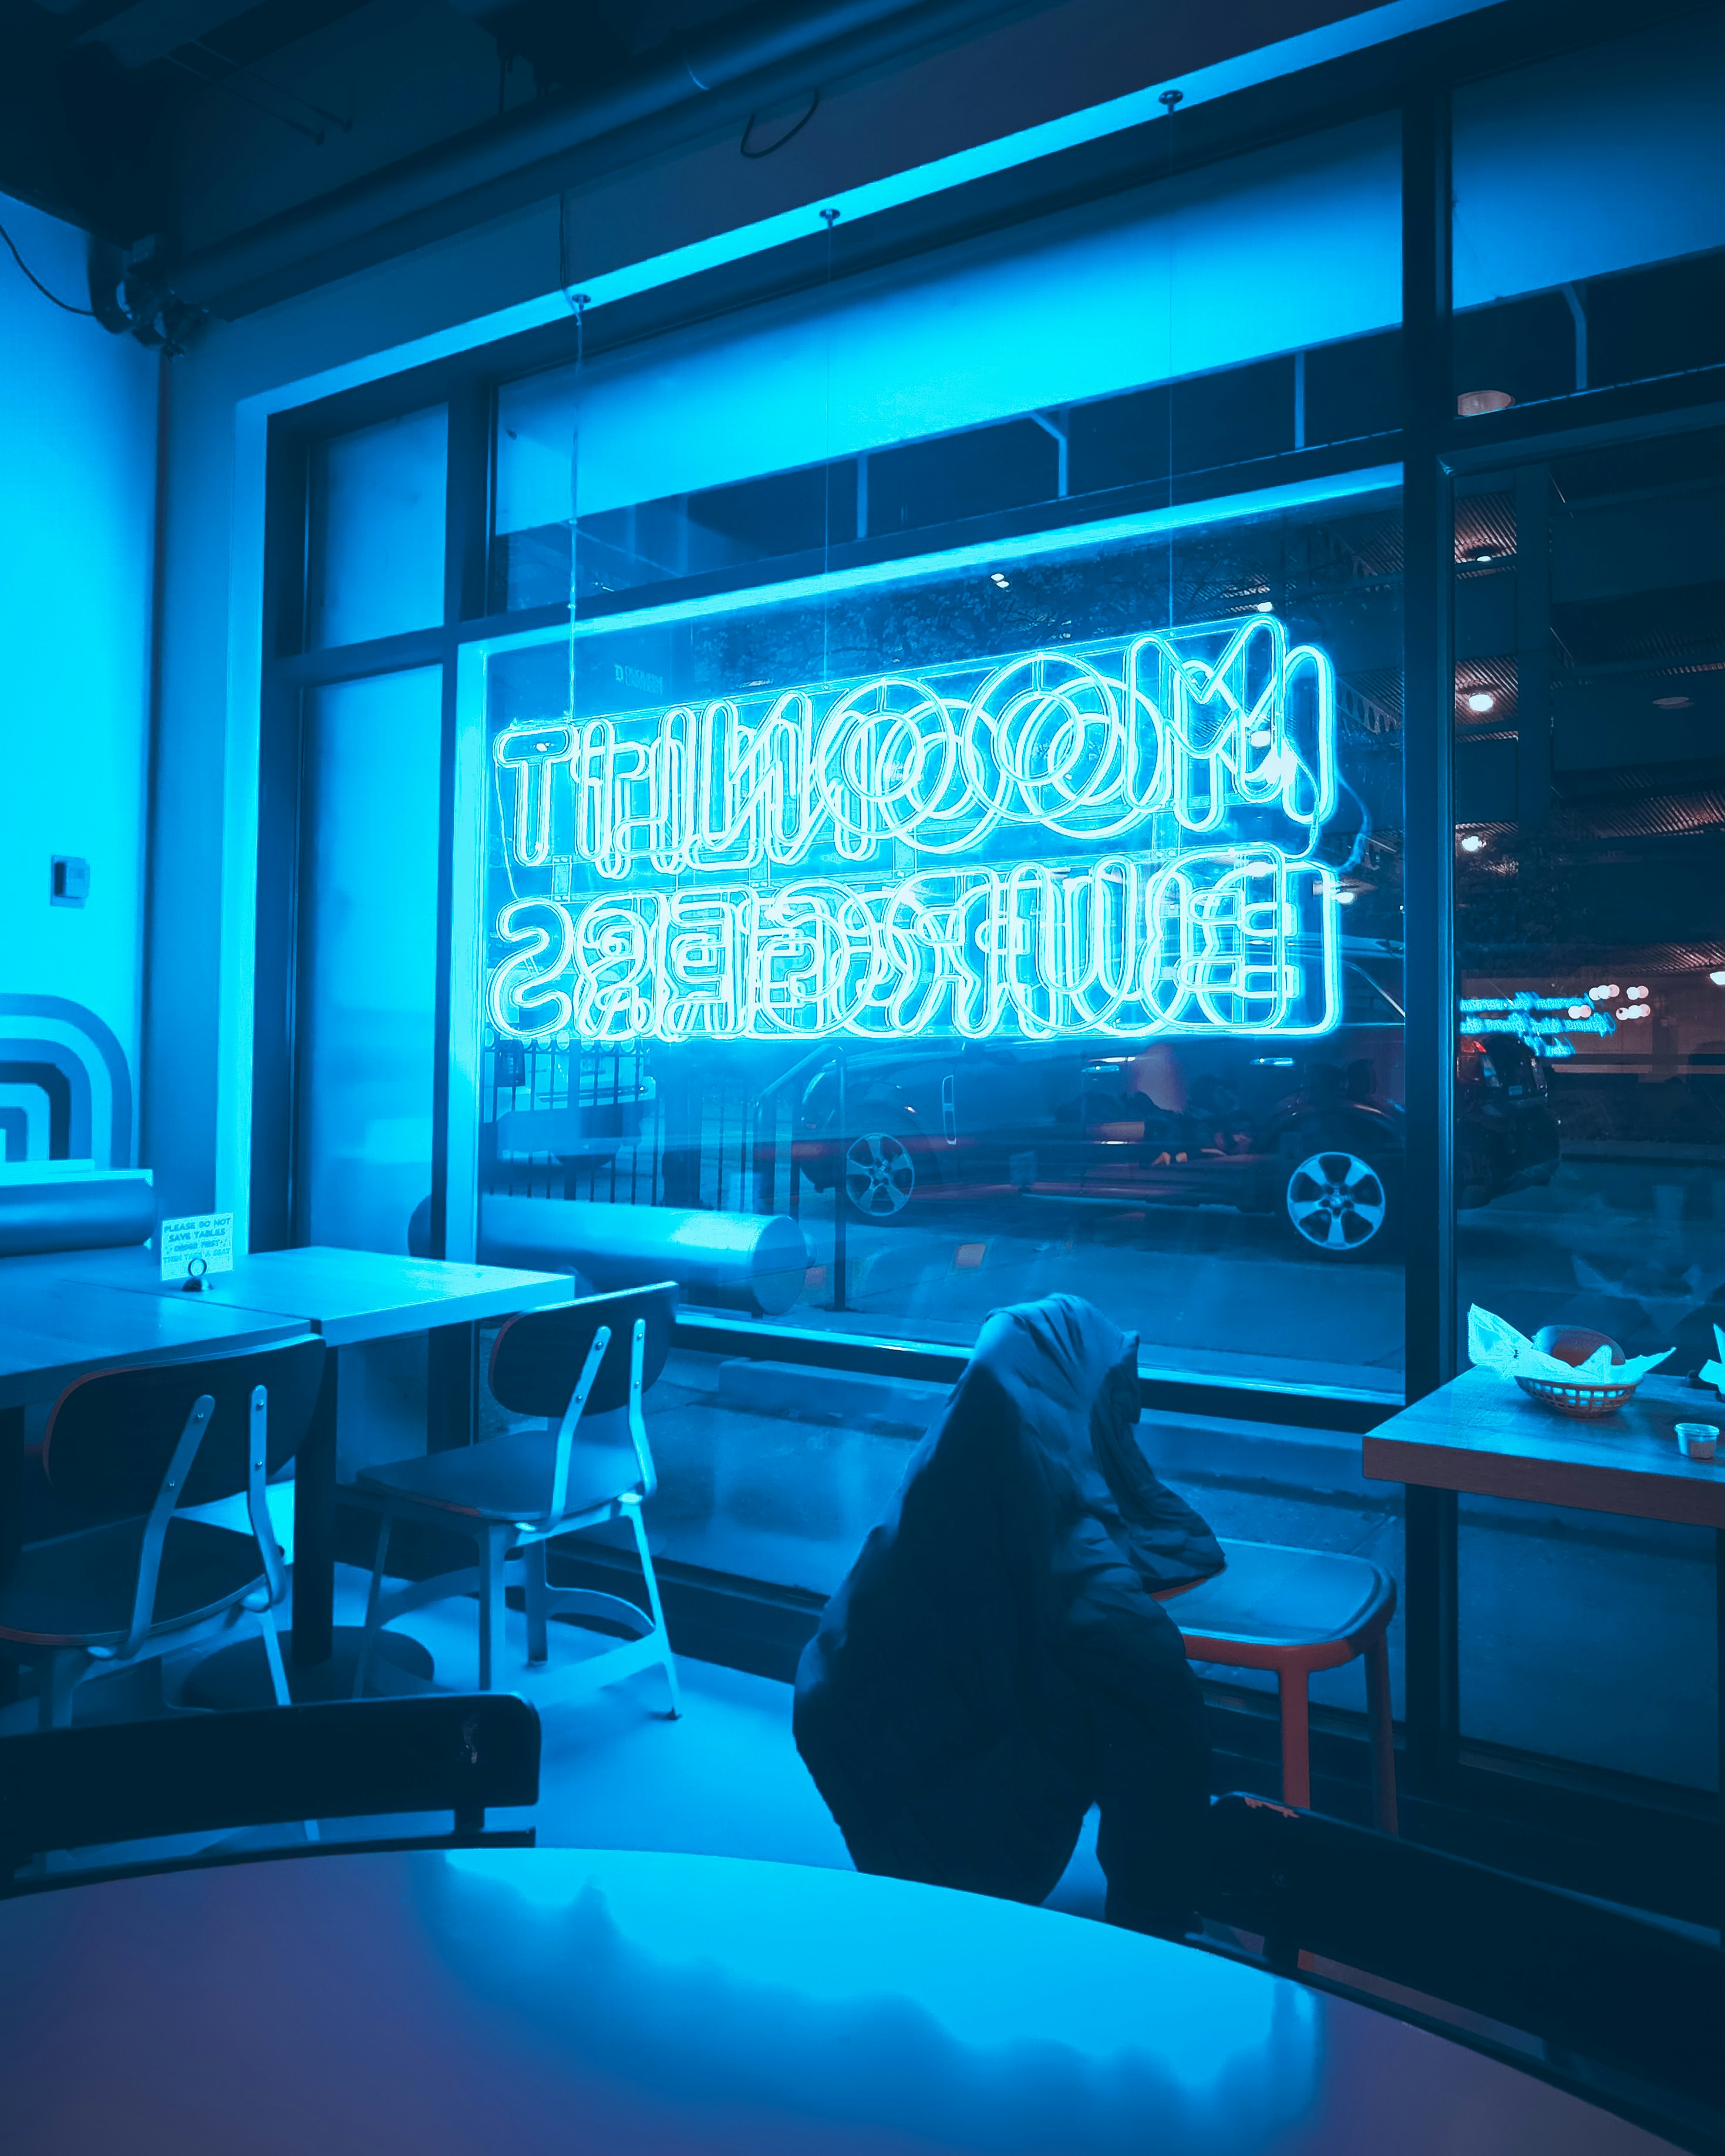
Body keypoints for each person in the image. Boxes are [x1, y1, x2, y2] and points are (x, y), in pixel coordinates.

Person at [794, 1293, 1222, 1935]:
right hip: (955, 1800)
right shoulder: (1070, 1553)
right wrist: (1158, 1912)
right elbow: (1164, 1713)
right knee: (1122, 1691)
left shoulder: (949, 1474)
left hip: (851, 1730)